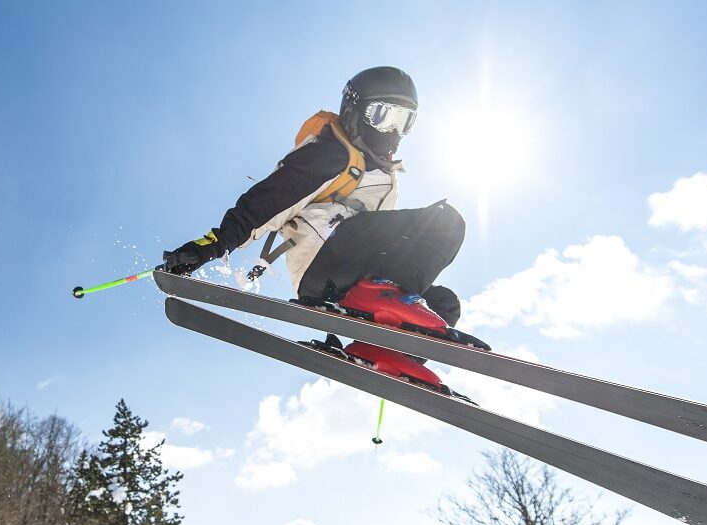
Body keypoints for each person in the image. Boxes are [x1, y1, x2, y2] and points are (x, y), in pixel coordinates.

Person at [158, 67, 485, 387]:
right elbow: (268, 200)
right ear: (355, 112)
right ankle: (380, 297)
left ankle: (385, 351)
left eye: (404, 121)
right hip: (327, 261)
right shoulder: (331, 154)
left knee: (444, 302)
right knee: (445, 222)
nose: (394, 131)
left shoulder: (385, 180)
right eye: (383, 116)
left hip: (350, 275)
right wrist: (212, 244)